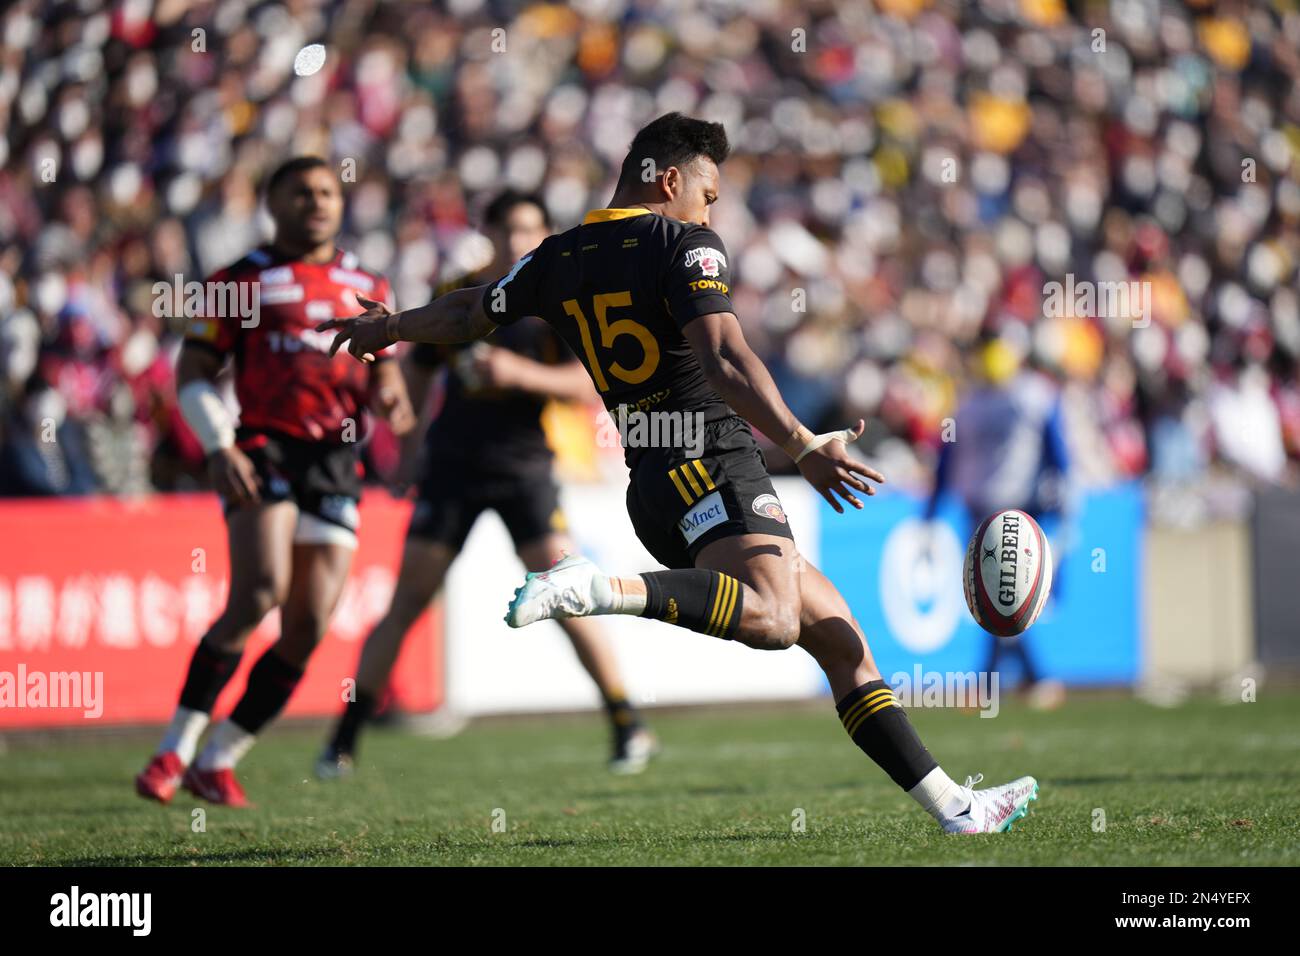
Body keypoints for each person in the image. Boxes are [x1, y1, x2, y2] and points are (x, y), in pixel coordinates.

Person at [321, 114, 1039, 834]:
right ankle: (598, 586)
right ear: (668, 179)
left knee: (838, 637)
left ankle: (955, 807)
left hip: (655, 479)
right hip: (710, 462)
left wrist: (390, 327)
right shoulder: (683, 244)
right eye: (709, 191)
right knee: (776, 617)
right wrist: (800, 441)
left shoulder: (557, 256)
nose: (712, 207)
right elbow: (725, 360)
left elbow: (468, 311)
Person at [317, 190, 657, 779]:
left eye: (530, 229)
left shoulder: (555, 297)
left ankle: (629, 725)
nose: (520, 242)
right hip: (453, 467)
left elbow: (588, 384)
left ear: (544, 231)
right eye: (509, 230)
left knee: (568, 595)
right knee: (406, 603)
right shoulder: (462, 290)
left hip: (525, 468)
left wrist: (515, 372)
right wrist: (407, 456)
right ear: (490, 233)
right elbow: (420, 374)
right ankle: (342, 741)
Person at [135, 157, 416, 808]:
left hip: (336, 462)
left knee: (308, 624)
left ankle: (219, 756)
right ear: (273, 204)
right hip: (262, 446)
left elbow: (385, 370)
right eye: (302, 193)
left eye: (327, 192)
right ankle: (172, 750)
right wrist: (219, 444)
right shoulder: (241, 281)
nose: (317, 203)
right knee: (258, 590)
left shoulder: (366, 282)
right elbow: (196, 371)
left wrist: (395, 399)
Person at [923, 335, 1070, 709]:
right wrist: (930, 511)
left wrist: (1063, 503)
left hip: (1021, 509)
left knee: (1003, 597)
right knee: (1000, 598)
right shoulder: (972, 403)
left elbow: (1058, 455)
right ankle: (1024, 680)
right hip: (984, 509)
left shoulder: (1030, 396)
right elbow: (946, 460)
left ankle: (1006, 680)